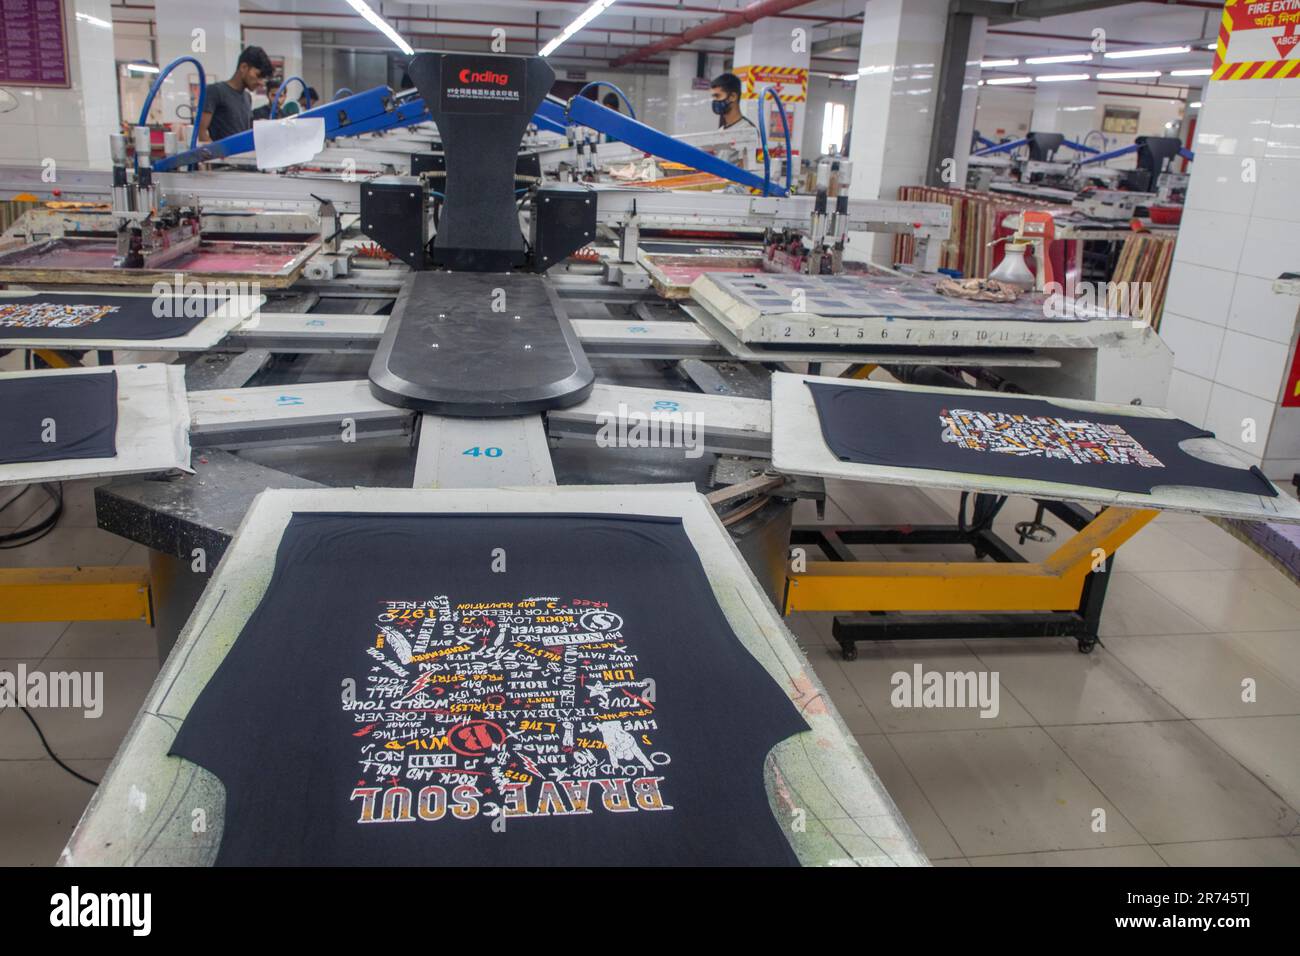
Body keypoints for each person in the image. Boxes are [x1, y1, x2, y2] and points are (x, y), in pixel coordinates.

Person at [199, 46, 274, 142]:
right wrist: (219, 155)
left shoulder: (247, 97)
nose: (261, 83)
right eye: (258, 75)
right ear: (243, 67)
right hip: (223, 156)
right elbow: (201, 133)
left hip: (243, 156)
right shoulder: (215, 91)